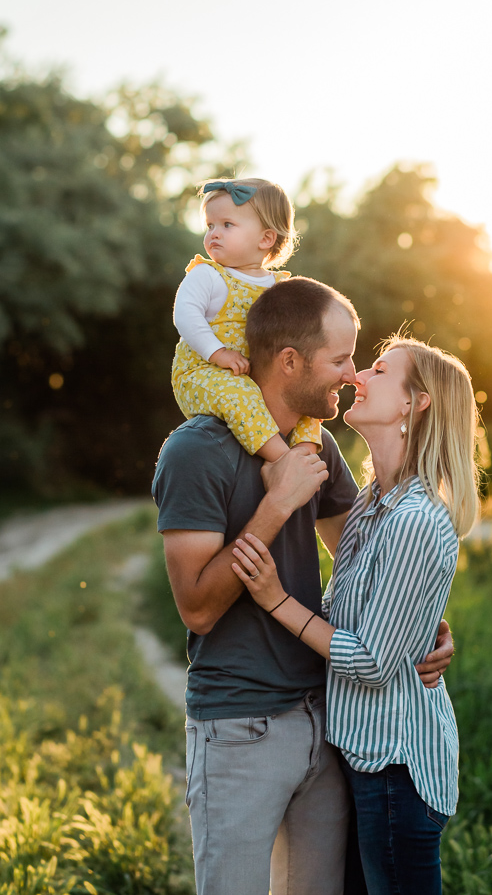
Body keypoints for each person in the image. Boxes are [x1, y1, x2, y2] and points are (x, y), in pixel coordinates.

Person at [152, 279, 454, 895]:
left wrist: (424, 627)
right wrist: (276, 506)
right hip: (238, 725)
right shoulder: (194, 451)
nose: (351, 374)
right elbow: (198, 610)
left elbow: (370, 565)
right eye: (340, 359)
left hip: (326, 721)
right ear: (290, 361)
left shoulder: (318, 444)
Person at [232, 335, 480, 895]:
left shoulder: (416, 518)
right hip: (363, 758)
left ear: (414, 403)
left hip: (396, 768)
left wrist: (274, 599)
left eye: (380, 370)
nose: (358, 376)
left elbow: (370, 661)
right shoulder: (370, 504)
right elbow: (360, 616)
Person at [172, 177, 321, 460]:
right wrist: (219, 353)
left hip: (254, 378)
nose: (214, 234)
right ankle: (283, 461)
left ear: (265, 238)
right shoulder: (208, 275)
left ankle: (306, 457)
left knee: (305, 394)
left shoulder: (278, 286)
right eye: (210, 225)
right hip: (203, 374)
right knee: (241, 394)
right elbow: (185, 316)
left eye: (227, 225)